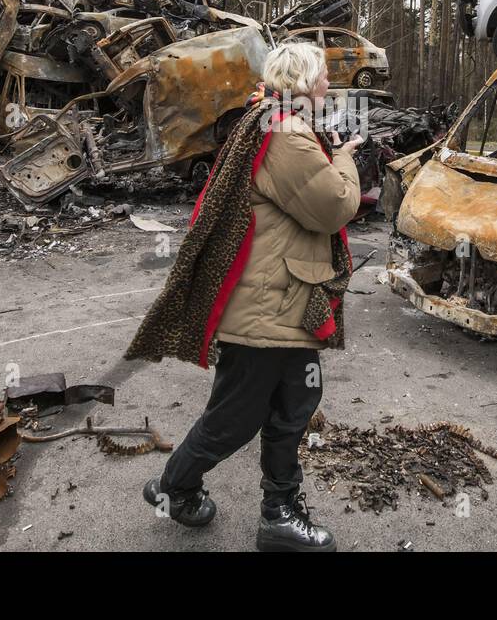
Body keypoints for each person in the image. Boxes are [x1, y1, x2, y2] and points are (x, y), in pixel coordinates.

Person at [125, 40, 361, 551]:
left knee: (293, 409)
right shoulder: (285, 134)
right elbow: (334, 207)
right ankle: (174, 486)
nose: (328, 86)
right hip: (268, 308)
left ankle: (279, 514)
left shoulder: (278, 123)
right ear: (303, 83)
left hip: (289, 302)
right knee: (235, 417)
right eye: (322, 78)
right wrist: (345, 158)